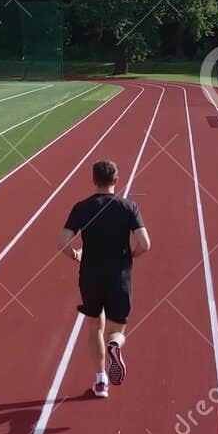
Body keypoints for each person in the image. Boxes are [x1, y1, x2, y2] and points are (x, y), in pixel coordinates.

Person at [59, 159, 151, 398]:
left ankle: (101, 381)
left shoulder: (81, 208)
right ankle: (116, 345)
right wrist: (131, 254)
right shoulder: (129, 207)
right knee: (116, 329)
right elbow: (145, 244)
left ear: (94, 180)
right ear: (116, 179)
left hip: (90, 274)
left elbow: (63, 242)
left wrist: (75, 254)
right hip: (119, 276)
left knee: (94, 324)